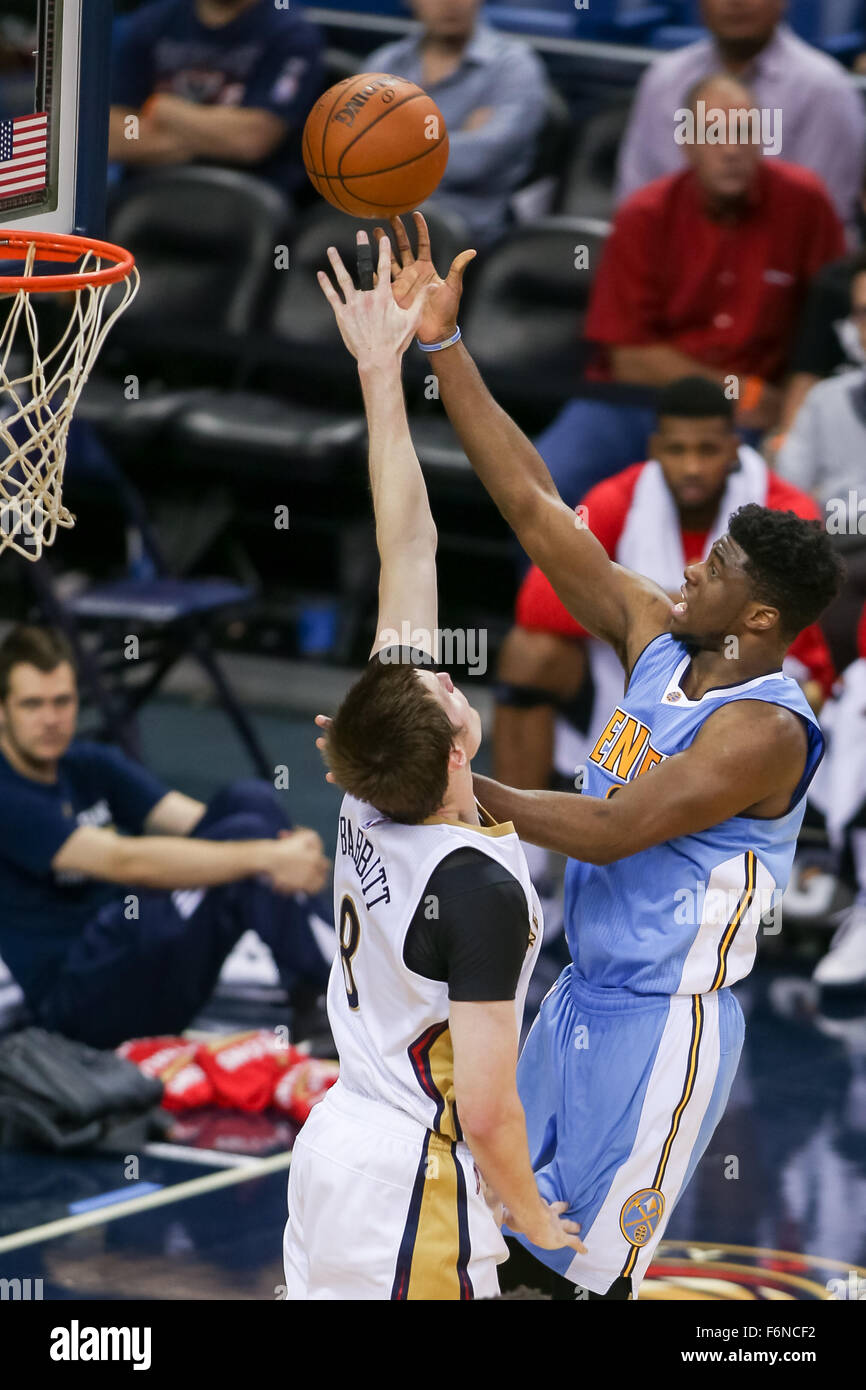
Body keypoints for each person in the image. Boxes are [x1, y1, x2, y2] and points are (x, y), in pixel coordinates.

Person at [376, 210, 844, 1298]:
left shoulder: (763, 729)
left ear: (761, 620)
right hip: (576, 996)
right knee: (497, 1249)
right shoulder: (657, 635)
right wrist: (444, 347)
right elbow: (539, 509)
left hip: (661, 1033)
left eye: (717, 563)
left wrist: (454, 783)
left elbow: (613, 825)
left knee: (576, 1280)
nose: (693, 565)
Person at [282, 233, 583, 1301]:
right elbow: (494, 1112)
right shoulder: (480, 889)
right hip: (413, 1175)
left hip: (331, 1144)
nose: (444, 671)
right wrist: (543, 1222)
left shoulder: (373, 778)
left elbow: (407, 547)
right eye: (446, 687)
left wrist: (381, 370)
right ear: (457, 743)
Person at [497, 378, 836, 813]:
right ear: (654, 448)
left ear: (735, 448)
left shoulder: (783, 511)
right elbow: (536, 602)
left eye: (707, 450)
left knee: (799, 699)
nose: (692, 467)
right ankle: (520, 860)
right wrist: (674, 611)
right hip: (629, 664)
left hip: (748, 683)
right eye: (677, 451)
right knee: (530, 652)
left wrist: (474, 789)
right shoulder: (618, 496)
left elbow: (804, 636)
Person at [0, 626, 333, 1050]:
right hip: (80, 1001)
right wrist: (268, 854)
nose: (51, 718)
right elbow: (124, 861)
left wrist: (288, 844)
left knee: (250, 802)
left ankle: (316, 990)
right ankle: (336, 990)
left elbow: (199, 819)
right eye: (33, 704)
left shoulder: (85, 765)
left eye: (62, 701)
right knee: (248, 846)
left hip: (133, 952)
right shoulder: (7, 795)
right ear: (2, 710)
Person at [531, 73, 845, 515]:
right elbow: (631, 357)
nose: (732, 149)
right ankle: (552, 588)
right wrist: (738, 393)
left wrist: (785, 409)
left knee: (767, 511)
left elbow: (832, 322)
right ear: (688, 145)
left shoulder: (805, 204)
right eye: (715, 134)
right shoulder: (644, 215)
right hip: (638, 401)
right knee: (546, 483)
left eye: (743, 133)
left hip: (749, 419)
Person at [616, 0, 866, 234]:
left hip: (780, 265)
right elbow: (634, 202)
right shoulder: (663, 79)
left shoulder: (826, 89)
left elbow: (822, 219)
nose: (736, 2)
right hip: (670, 260)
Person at [367, 0, 548, 246]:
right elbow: (352, 154)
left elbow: (479, 160)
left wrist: (389, 150)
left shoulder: (514, 66)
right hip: (377, 220)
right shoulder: (385, 62)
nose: (449, 4)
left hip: (469, 234)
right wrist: (455, 138)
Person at [108, 0, 323, 195]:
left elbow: (252, 139)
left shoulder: (291, 34)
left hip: (245, 201)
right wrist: (210, 138)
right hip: (145, 193)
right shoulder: (152, 22)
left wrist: (161, 109)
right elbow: (115, 134)